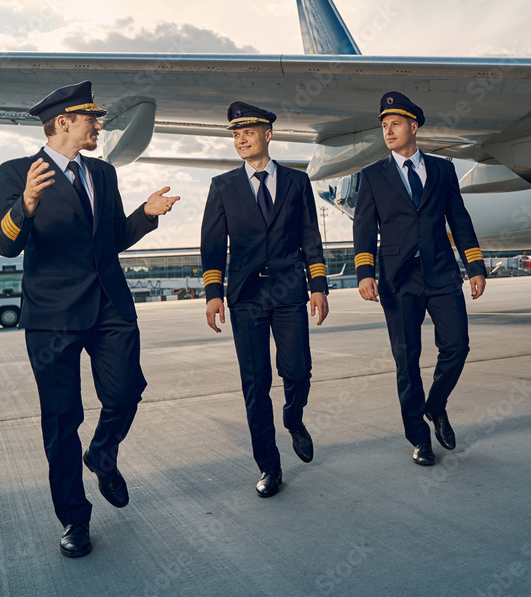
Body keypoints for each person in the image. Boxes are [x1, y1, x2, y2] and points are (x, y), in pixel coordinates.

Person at [0, 80, 178, 558]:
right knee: (61, 420)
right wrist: (26, 203)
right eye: (91, 118)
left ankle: (102, 452)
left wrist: (146, 214)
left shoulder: (102, 172)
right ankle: (74, 519)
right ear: (62, 123)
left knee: (126, 390)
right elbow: (5, 243)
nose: (100, 125)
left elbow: (112, 238)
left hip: (109, 305)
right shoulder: (17, 172)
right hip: (53, 315)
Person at [201, 101, 329, 497]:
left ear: (267, 136)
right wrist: (212, 294)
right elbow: (211, 244)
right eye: (236, 135)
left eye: (248, 133)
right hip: (246, 296)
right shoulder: (223, 186)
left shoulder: (296, 181)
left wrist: (319, 286)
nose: (241, 139)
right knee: (255, 384)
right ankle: (269, 466)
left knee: (298, 371)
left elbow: (310, 236)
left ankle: (293, 417)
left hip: (290, 289)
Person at [352, 91, 487, 466]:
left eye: (395, 124)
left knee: (457, 346)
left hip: (441, 271)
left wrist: (474, 265)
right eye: (384, 126)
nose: (388, 131)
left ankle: (436, 405)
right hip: (398, 278)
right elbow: (363, 229)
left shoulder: (443, 170)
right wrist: (365, 273)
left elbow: (458, 218)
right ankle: (419, 438)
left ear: (414, 126)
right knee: (406, 360)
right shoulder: (372, 175)